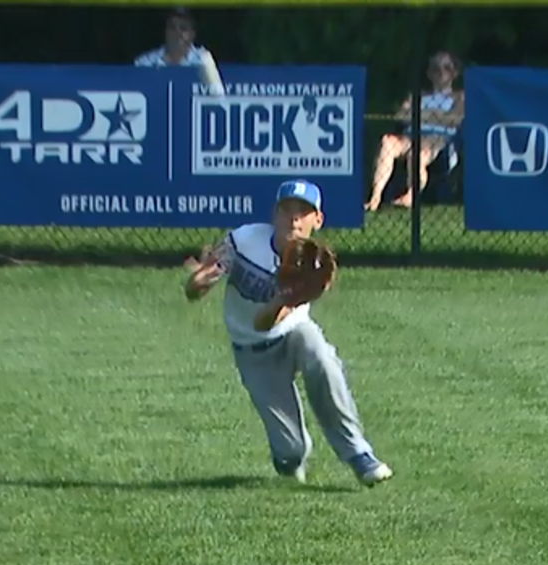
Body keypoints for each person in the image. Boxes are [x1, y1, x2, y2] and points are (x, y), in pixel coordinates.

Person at [182, 179, 394, 487]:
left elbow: (269, 319)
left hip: (293, 333)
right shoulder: (245, 241)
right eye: (287, 210)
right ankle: (288, 457)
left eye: (303, 212)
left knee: (322, 358)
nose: (294, 218)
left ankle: (359, 455)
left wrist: (286, 298)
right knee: (293, 452)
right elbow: (202, 292)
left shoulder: (313, 263)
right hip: (252, 350)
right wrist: (200, 281)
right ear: (274, 214)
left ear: (317, 220)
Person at [364, 51, 464, 211]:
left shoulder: (458, 97)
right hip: (411, 134)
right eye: (435, 68)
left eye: (446, 68)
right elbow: (401, 115)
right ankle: (375, 197)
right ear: (429, 73)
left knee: (418, 153)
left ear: (454, 73)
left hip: (439, 138)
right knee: (387, 142)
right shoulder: (418, 95)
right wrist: (437, 115)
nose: (440, 72)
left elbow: (455, 119)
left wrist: (419, 114)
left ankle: (411, 196)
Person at [134, 7, 211, 67]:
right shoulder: (145, 63)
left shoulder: (204, 61)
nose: (177, 33)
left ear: (192, 34)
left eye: (183, 28)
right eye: (172, 27)